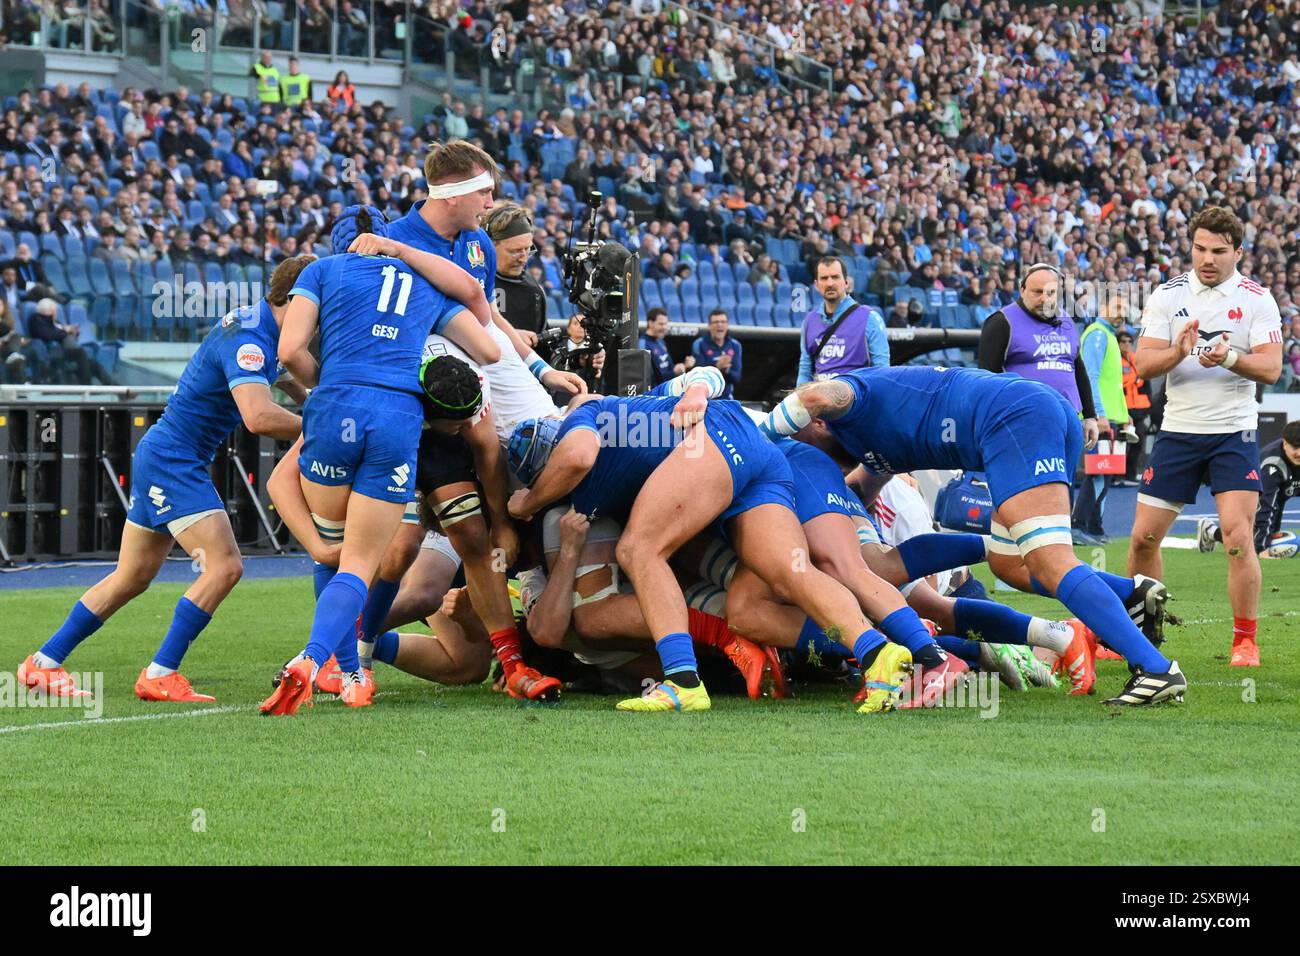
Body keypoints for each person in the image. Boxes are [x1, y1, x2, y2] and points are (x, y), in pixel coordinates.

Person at [761, 366, 1187, 707]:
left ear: (814, 422)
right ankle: (1131, 594)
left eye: (797, 440)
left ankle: (1155, 670)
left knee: (1051, 562)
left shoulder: (850, 398)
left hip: (1014, 420)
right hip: (1024, 418)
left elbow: (816, 395)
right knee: (1011, 565)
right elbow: (855, 496)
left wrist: (761, 441)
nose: (800, 454)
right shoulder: (870, 449)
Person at [506, 390, 916, 715]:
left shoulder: (581, 424)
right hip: (751, 446)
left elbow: (577, 456)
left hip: (715, 440)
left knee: (639, 549)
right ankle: (877, 652)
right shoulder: (601, 446)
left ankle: (683, 681)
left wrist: (526, 502)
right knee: (789, 572)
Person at [16, 257, 313, 703]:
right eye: (314, 306)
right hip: (174, 462)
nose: (316, 319)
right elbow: (257, 417)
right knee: (225, 566)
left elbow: (291, 378)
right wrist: (319, 426)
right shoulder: (250, 340)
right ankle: (161, 673)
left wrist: (322, 400)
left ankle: (42, 663)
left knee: (132, 576)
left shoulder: (262, 330)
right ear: (292, 299)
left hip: (165, 455)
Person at [260, 208, 497, 715]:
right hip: (396, 417)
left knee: (331, 550)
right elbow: (486, 349)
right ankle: (332, 668)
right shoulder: (423, 279)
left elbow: (290, 350)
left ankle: (333, 667)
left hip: (335, 409)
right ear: (384, 239)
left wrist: (329, 382)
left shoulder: (321, 271)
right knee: (361, 562)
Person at [1128, 206, 1283, 669]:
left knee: (1237, 538)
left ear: (1238, 252)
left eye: (1218, 251)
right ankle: (1141, 635)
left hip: (1233, 433)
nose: (1207, 259)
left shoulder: (1257, 299)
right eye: (1199, 249)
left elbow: (1271, 368)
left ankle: (1245, 642)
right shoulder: (1167, 294)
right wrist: (1178, 351)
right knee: (1142, 540)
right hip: (1178, 431)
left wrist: (1230, 358)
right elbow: (1143, 364)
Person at [978, 263, 1103, 449]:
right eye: (1037, 292)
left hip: (1068, 420)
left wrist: (1090, 416)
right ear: (1022, 290)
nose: (1044, 298)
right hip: (1023, 422)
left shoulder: (1066, 320)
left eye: (1051, 292)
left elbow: (1078, 369)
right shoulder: (1001, 322)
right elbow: (987, 379)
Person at [1073, 294, 1133, 541]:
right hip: (1101, 419)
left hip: (1113, 418)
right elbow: (1091, 377)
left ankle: (1094, 527)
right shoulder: (1097, 334)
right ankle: (1079, 526)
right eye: (1117, 306)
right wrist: (1097, 413)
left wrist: (1124, 415)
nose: (1122, 312)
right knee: (1098, 472)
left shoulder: (1107, 335)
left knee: (1107, 472)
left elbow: (1112, 384)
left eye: (1124, 308)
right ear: (1103, 306)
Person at [1199, 420, 1300, 558]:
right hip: (1248, 485)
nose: (1299, 453)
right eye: (1295, 448)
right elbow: (1265, 508)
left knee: (1268, 533)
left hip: (1284, 486)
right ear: (1285, 444)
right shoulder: (1272, 466)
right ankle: (1210, 531)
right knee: (1245, 536)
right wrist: (1262, 549)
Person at [796, 256, 889, 384]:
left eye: (835, 277)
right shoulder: (809, 321)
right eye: (824, 278)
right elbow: (805, 371)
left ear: (846, 282)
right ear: (816, 285)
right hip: (820, 395)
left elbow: (882, 372)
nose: (830, 283)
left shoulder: (870, 318)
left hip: (856, 396)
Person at [484, 202, 546, 344]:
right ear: (489, 245)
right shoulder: (471, 280)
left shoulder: (534, 291)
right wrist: (510, 336)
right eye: (515, 251)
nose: (524, 259)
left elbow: (541, 346)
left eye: (527, 249)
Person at [690, 309, 742, 398]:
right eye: (716, 322)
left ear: (727, 325)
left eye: (723, 322)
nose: (720, 325)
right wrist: (717, 368)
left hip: (726, 398)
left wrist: (726, 370)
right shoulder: (699, 344)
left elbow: (737, 378)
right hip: (706, 398)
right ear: (709, 326)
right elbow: (699, 376)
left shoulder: (735, 345)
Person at [640, 307, 682, 386]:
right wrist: (673, 372)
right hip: (654, 391)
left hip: (666, 387)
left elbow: (670, 367)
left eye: (666, 324)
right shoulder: (643, 344)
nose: (664, 327)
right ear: (650, 323)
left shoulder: (661, 342)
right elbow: (646, 377)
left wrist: (683, 366)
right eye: (661, 324)